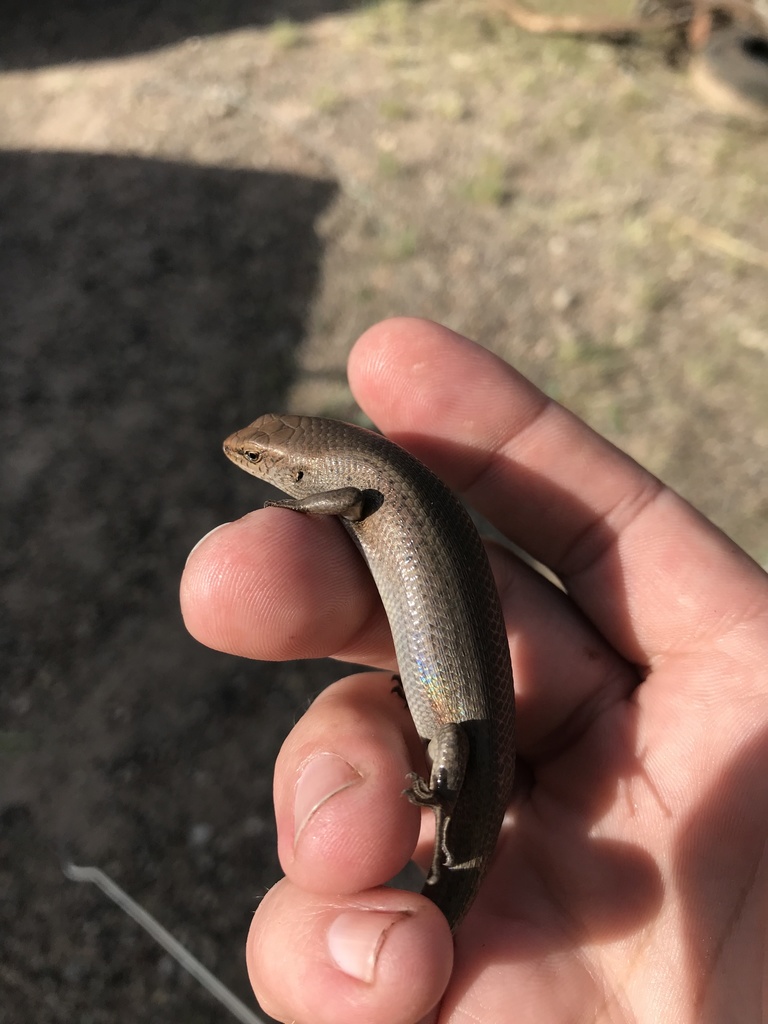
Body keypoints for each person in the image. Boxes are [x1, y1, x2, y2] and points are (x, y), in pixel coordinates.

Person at [181, 318, 768, 1024]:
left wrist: (293, 505)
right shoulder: (355, 470)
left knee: (450, 757)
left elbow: (347, 501)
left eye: (260, 461)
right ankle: (443, 801)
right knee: (442, 786)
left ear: (299, 466)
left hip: (455, 718)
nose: (247, 460)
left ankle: (442, 791)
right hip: (454, 696)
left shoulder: (343, 484)